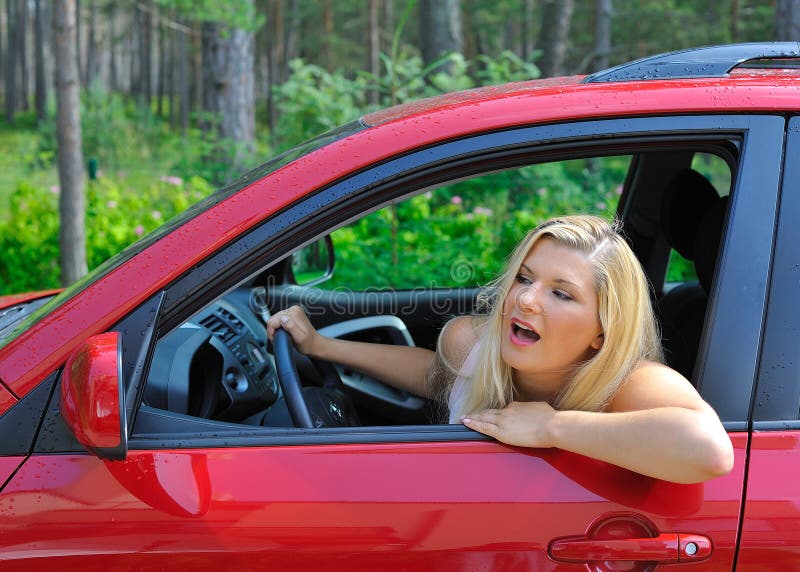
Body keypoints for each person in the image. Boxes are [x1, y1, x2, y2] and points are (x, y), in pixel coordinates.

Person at [267, 215, 734, 484]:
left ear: (601, 332)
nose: (525, 299)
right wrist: (322, 346)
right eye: (526, 278)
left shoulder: (632, 382)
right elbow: (437, 375)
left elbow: (709, 451)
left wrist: (552, 426)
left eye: (562, 293)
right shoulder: (472, 344)